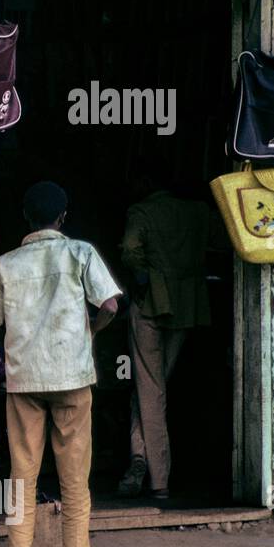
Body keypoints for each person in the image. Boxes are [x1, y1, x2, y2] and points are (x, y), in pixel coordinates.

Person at [0, 181, 122, 547]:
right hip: (71, 376)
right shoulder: (80, 253)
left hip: (25, 380)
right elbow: (109, 304)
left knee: (23, 469)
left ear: (26, 216)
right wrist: (91, 330)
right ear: (63, 217)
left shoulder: (6, 264)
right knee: (75, 472)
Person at [116, 175, 210, 499]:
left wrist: (143, 276)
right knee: (153, 387)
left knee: (149, 390)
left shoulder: (141, 212)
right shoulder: (198, 211)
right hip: (188, 305)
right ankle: (139, 464)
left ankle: (157, 479)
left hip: (153, 304)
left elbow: (129, 249)